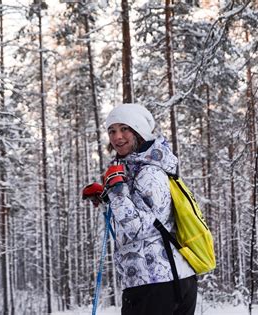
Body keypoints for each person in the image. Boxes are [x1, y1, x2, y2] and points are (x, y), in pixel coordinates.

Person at [82, 103, 198, 315]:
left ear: (139, 131)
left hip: (156, 283)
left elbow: (138, 228)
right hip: (161, 280)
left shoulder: (149, 172)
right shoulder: (137, 169)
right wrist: (107, 196)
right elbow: (146, 214)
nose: (117, 137)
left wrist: (117, 192)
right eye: (112, 131)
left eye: (124, 128)